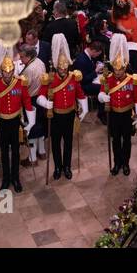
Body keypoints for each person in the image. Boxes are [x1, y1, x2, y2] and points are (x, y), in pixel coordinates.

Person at [0, 45, 35, 193]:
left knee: (16, 151)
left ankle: (16, 178)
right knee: (4, 152)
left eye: (10, 71)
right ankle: (6, 179)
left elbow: (26, 101)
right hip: (2, 122)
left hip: (15, 121)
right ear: (1, 71)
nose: (7, 74)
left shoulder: (20, 83)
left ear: (13, 70)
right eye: (5, 72)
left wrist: (30, 121)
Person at [37, 34, 88, 180]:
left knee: (68, 142)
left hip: (70, 114)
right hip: (55, 115)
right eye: (61, 69)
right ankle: (58, 167)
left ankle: (67, 166)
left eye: (65, 69)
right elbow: (40, 96)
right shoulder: (50, 79)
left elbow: (80, 94)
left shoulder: (73, 78)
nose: (63, 72)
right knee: (55, 143)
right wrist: (46, 103)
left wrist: (84, 108)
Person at [99, 34, 137, 176]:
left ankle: (126, 163)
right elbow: (101, 94)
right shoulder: (107, 79)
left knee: (127, 140)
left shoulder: (131, 80)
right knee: (115, 139)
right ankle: (117, 163)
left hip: (126, 114)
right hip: (113, 114)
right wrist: (103, 96)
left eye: (120, 70)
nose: (118, 73)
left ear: (125, 68)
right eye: (116, 70)